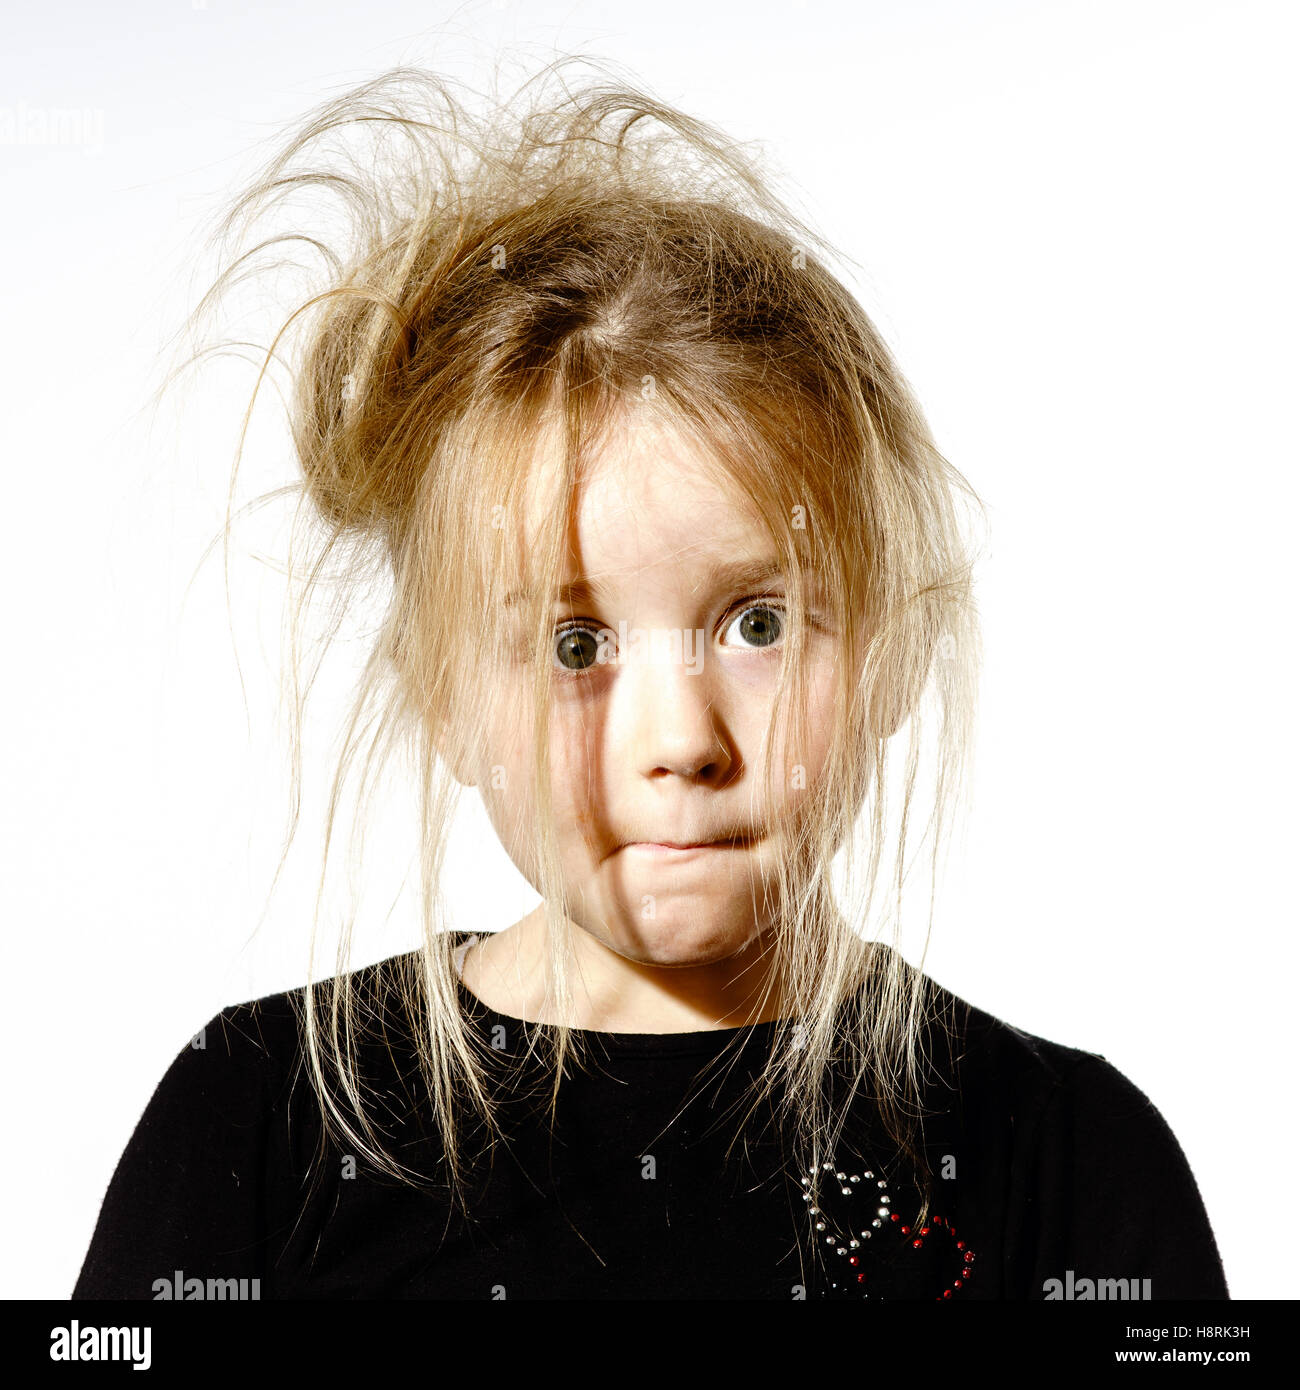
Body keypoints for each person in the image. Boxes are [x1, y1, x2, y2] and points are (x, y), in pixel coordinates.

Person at [73, 58, 1227, 1301]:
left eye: (758, 622)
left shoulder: (1064, 1158)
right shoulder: (258, 1123)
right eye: (577, 644)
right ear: (442, 693)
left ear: (892, 646)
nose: (679, 738)